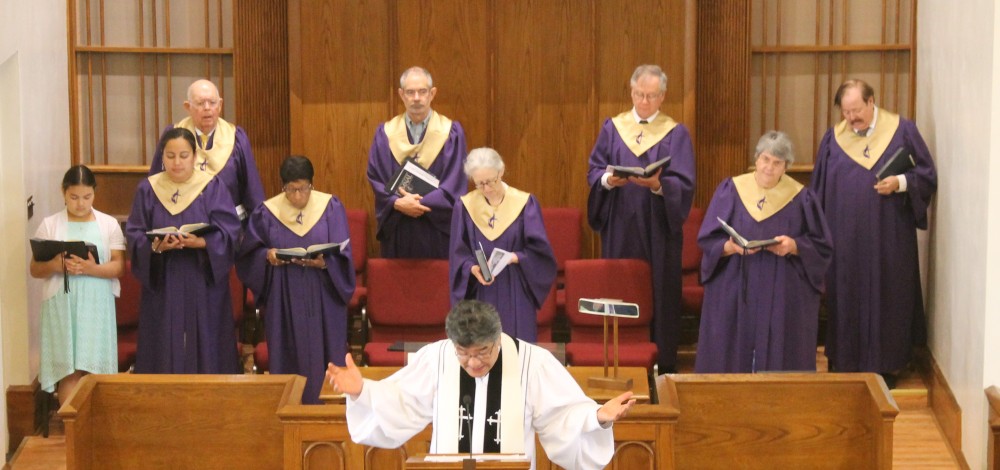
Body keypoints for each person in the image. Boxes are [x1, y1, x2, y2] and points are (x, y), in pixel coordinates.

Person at [326, 300, 635, 470]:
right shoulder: (437, 357)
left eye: (482, 353)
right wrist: (363, 391)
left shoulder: (531, 361)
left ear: (497, 338)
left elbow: (561, 416)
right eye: (463, 354)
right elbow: (402, 402)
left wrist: (595, 417)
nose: (473, 363)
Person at [812, 79, 938, 387]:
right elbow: (818, 191)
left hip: (889, 235)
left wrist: (901, 183)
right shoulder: (833, 139)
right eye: (846, 112)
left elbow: (926, 174)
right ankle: (845, 360)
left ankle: (887, 365)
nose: (852, 118)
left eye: (856, 110)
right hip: (845, 239)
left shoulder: (902, 130)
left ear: (871, 102)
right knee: (847, 293)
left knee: (888, 293)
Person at [586, 64, 696, 373]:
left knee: (659, 289)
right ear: (631, 92)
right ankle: (622, 357)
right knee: (621, 287)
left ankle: (662, 363)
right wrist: (609, 181)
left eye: (650, 96)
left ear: (662, 96)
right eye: (638, 94)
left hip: (658, 227)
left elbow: (685, 183)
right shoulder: (613, 128)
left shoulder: (675, 133)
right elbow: (595, 170)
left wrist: (659, 185)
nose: (643, 101)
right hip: (620, 223)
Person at [695, 131, 833, 373]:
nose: (769, 168)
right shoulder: (732, 189)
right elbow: (709, 237)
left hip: (783, 286)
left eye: (777, 163)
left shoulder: (802, 198)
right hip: (737, 280)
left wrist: (794, 245)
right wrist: (730, 246)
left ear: (786, 167)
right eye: (766, 159)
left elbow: (821, 245)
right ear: (756, 159)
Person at [237, 156, 356, 404]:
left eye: (303, 188)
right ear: (283, 187)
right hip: (284, 295)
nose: (298, 195)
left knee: (327, 355)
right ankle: (291, 413)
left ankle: (330, 412)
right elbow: (249, 255)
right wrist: (267, 256)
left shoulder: (330, 207)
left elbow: (343, 253)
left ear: (311, 185)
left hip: (323, 292)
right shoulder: (267, 212)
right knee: (288, 356)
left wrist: (325, 262)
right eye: (291, 189)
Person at [125, 127, 242, 374]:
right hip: (164, 279)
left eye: (183, 155)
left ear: (194, 156)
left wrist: (202, 243)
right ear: (161, 157)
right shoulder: (148, 189)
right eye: (170, 156)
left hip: (201, 277)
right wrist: (156, 246)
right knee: (165, 342)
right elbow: (135, 234)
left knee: (205, 342)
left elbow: (230, 231)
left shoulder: (212, 187)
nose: (177, 162)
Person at [30, 165, 125, 404]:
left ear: (94, 193)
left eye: (87, 197)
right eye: (74, 197)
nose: (80, 203)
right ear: (63, 193)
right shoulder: (50, 224)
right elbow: (35, 269)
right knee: (69, 368)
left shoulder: (108, 224)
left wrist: (91, 268)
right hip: (62, 305)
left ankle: (98, 429)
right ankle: (72, 432)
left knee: (95, 367)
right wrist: (55, 264)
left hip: (97, 303)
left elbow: (119, 267)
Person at [449, 147, 557, 342]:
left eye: (491, 181)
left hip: (515, 287)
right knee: (482, 346)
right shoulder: (465, 206)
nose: (487, 188)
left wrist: (514, 257)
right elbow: (459, 254)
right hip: (480, 290)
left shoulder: (524, 203)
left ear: (501, 171)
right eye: (480, 184)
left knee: (515, 350)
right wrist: (472, 269)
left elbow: (540, 252)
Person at [367, 66, 468, 259]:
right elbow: (376, 177)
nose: (416, 98)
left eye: (422, 92)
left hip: (437, 229)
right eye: (410, 92)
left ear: (432, 94)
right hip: (398, 226)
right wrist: (396, 203)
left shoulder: (451, 133)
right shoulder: (385, 134)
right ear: (401, 95)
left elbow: (456, 181)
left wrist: (419, 204)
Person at [148, 79, 264, 223]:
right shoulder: (173, 136)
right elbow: (157, 183)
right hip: (182, 223)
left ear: (220, 105)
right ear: (187, 106)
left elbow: (252, 191)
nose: (207, 108)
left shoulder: (236, 138)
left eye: (212, 102)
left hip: (228, 227)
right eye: (200, 103)